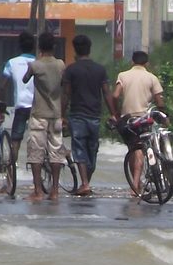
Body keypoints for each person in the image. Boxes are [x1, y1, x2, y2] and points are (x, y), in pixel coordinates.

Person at [60, 33, 112, 197]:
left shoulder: (71, 70)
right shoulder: (100, 69)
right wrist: (114, 114)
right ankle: (85, 183)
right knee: (92, 150)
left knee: (80, 149)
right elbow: (107, 93)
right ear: (90, 49)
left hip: (77, 115)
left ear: (75, 50)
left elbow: (66, 94)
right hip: (95, 115)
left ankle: (85, 183)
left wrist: (61, 115)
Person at [112, 49, 166, 198]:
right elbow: (159, 100)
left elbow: (115, 95)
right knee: (140, 151)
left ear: (132, 62)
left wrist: (116, 112)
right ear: (147, 63)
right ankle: (135, 185)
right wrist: (163, 113)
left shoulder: (123, 75)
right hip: (143, 119)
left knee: (132, 150)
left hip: (127, 119)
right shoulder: (151, 77)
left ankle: (135, 184)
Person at [22, 31, 67, 201]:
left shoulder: (35, 65)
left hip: (39, 114)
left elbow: (25, 79)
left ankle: (38, 191)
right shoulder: (61, 65)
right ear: (54, 46)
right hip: (56, 115)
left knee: (36, 153)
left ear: (39, 47)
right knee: (56, 152)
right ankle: (55, 191)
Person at [1, 31, 37, 166]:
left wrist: (1, 105)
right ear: (33, 46)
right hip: (37, 107)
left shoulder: (12, 63)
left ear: (19, 46)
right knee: (39, 140)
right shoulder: (38, 62)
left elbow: (3, 86)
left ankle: (11, 175)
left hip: (21, 106)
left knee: (15, 140)